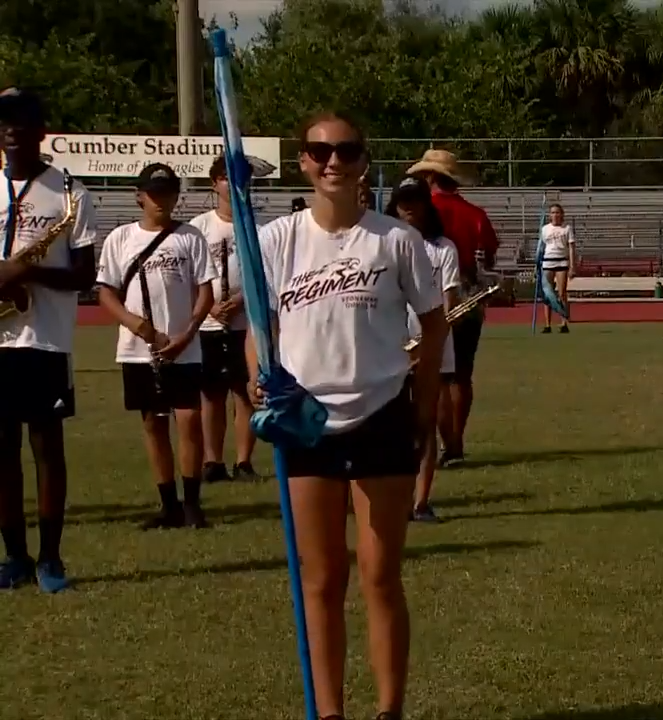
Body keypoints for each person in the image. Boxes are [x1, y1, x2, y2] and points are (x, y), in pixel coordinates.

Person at [249, 112, 446, 720]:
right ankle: (329, 712)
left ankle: (390, 710)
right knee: (322, 580)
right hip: (306, 423)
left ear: (364, 160)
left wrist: (425, 406)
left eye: (347, 150)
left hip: (383, 412)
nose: (333, 161)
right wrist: (261, 381)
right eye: (319, 151)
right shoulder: (277, 240)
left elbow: (435, 324)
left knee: (381, 575)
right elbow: (259, 327)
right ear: (303, 160)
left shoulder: (396, 240)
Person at [0, 88, 98, 592]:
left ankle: (50, 559)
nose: (12, 130)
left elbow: (85, 274)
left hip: (44, 340)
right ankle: (14, 557)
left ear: (42, 130)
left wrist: (27, 275)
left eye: (23, 122)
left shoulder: (70, 192)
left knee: (46, 448)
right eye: (5, 122)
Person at [96, 163, 215, 530]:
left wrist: (188, 332)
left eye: (168, 193)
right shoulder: (121, 238)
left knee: (189, 420)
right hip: (138, 349)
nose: (161, 201)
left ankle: (192, 502)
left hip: (183, 346)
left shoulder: (190, 236)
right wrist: (138, 326)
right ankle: (169, 504)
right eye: (154, 193)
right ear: (139, 196)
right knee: (153, 424)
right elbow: (106, 292)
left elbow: (205, 291)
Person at [407, 149, 498, 466]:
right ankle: (454, 443)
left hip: (422, 296)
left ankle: (424, 442)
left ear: (429, 177)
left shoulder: (418, 212)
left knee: (425, 372)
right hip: (467, 295)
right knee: (460, 375)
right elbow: (488, 255)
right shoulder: (474, 213)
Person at [385, 175, 460, 524]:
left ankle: (421, 501)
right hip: (389, 350)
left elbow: (447, 306)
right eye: (403, 201)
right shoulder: (381, 244)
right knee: (393, 425)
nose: (409, 208)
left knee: (425, 423)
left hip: (433, 348)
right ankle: (395, 497)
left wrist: (427, 347)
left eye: (415, 201)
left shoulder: (443, 249)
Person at [189, 156, 259, 484]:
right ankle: (212, 460)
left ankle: (243, 461)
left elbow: (263, 275)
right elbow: (188, 276)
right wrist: (208, 307)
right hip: (209, 322)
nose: (233, 188)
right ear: (214, 183)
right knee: (211, 394)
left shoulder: (255, 228)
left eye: (241, 181)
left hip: (245, 323)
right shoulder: (199, 227)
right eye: (226, 180)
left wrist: (242, 300)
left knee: (245, 393)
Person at [539, 203, 576, 333]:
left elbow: (571, 248)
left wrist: (572, 266)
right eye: (553, 212)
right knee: (548, 294)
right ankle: (547, 324)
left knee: (561, 293)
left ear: (562, 214)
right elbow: (542, 247)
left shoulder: (567, 228)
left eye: (557, 212)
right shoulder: (545, 229)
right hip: (547, 262)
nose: (555, 215)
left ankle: (563, 322)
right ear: (550, 215)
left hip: (561, 262)